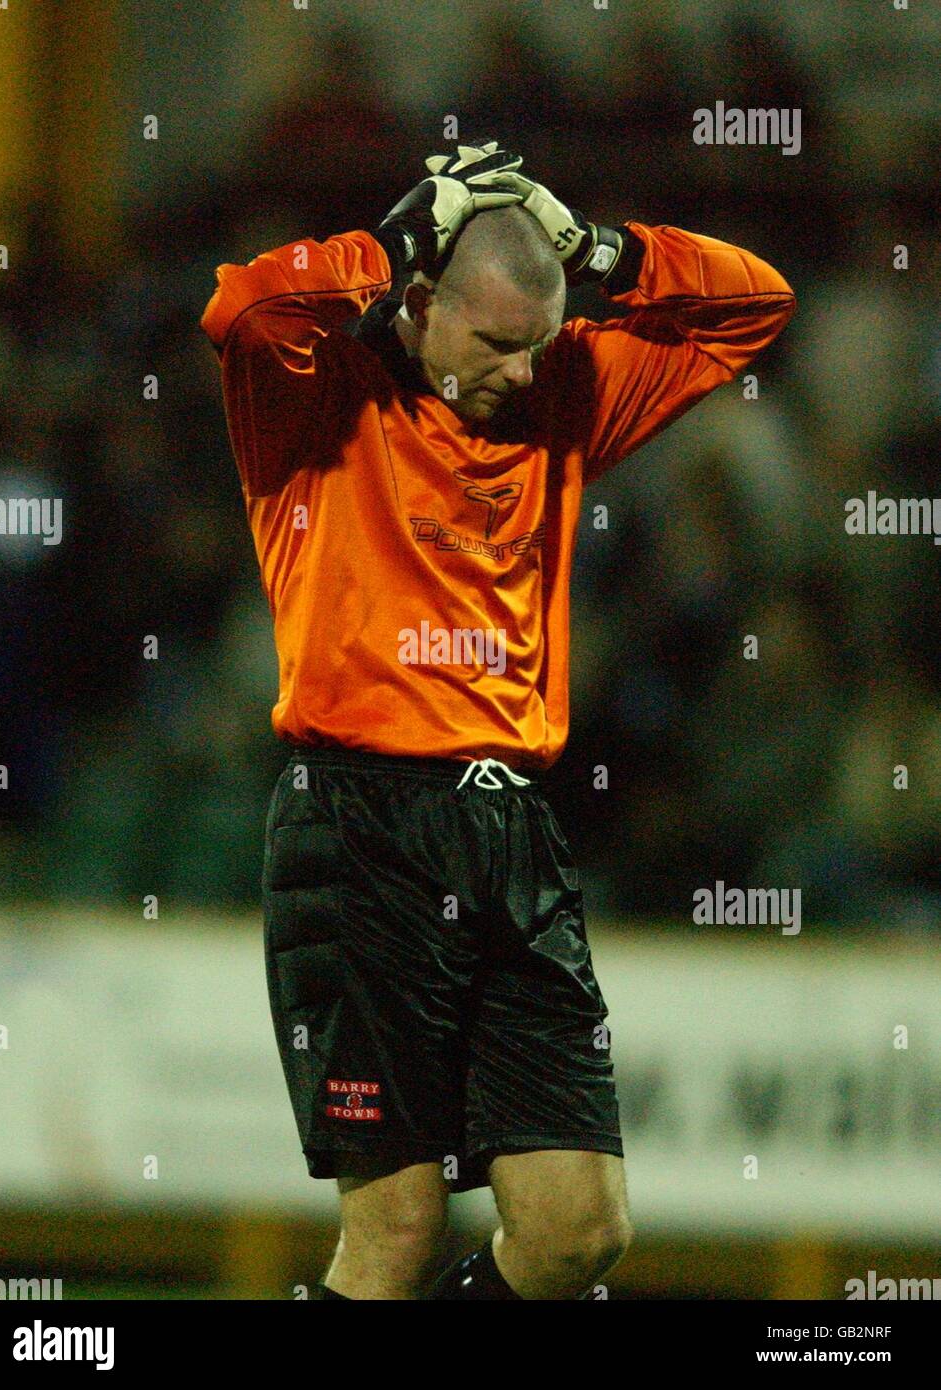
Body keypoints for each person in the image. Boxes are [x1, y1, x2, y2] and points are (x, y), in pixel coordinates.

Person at [199, 141, 795, 1299]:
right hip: (358, 825)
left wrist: (610, 249)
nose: (523, 372)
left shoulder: (566, 386)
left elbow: (755, 308)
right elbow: (246, 300)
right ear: (417, 304)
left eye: (537, 340)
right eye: (496, 342)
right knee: (396, 1230)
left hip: (512, 832)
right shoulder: (311, 400)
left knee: (580, 1230)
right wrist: (392, 235)